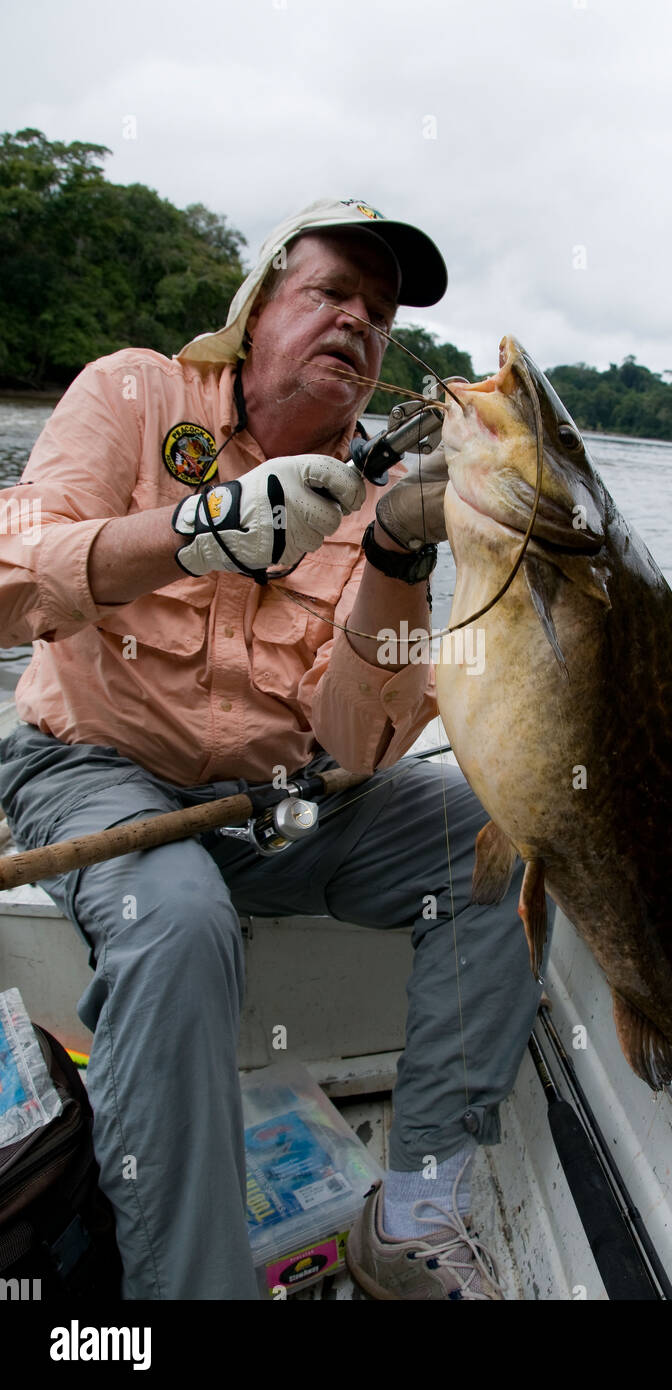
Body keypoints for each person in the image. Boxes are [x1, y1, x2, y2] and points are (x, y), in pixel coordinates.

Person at [0, 197, 544, 1300]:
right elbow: (12, 581)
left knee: (501, 849)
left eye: (378, 314)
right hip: (95, 767)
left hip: (281, 800)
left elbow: (359, 740)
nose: (357, 322)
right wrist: (190, 532)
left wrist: (393, 552)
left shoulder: (389, 495)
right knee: (179, 918)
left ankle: (413, 1218)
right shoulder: (134, 393)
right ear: (258, 311)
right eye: (331, 292)